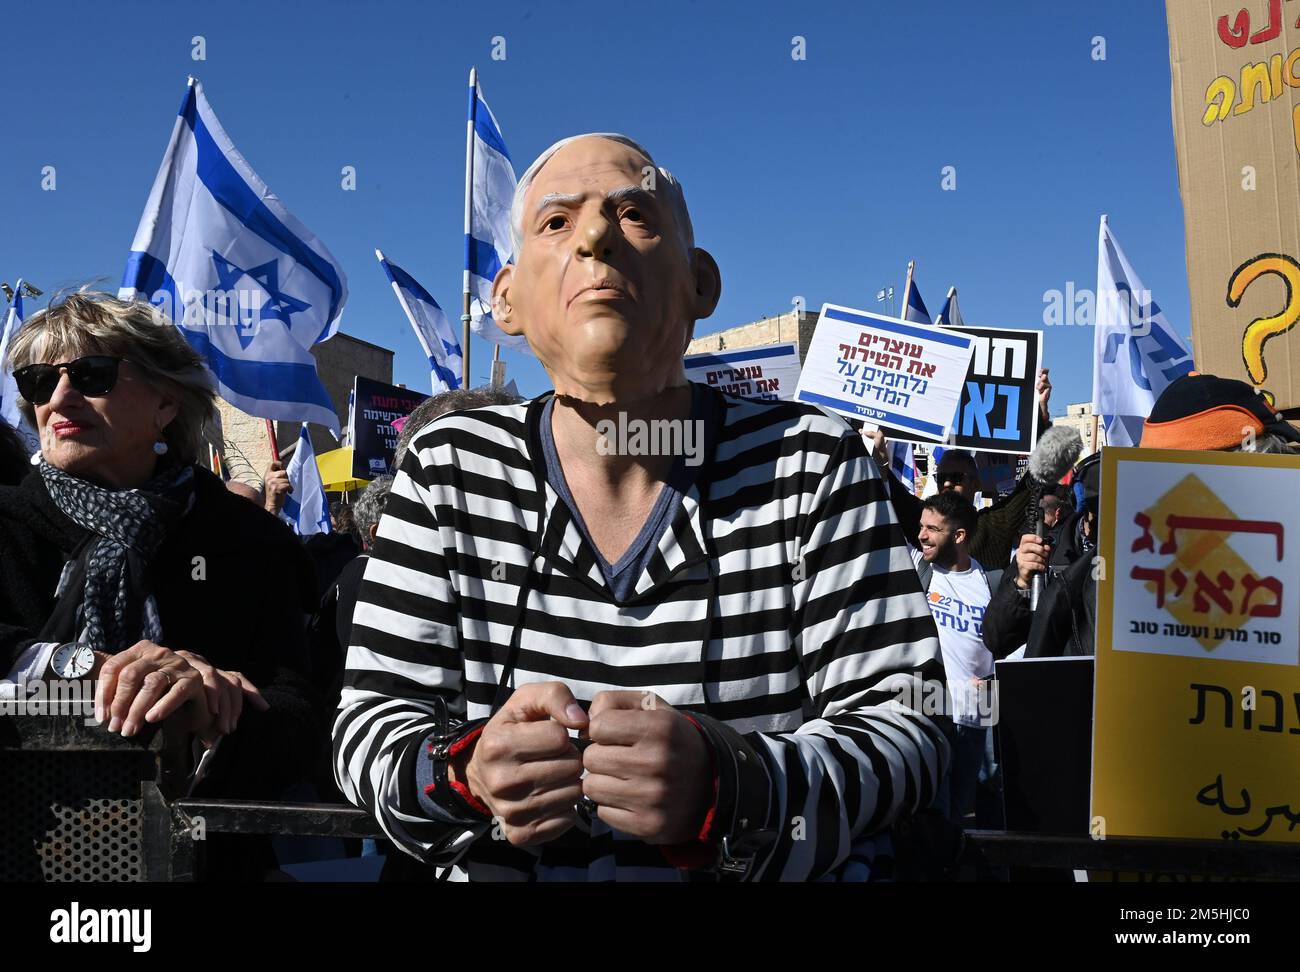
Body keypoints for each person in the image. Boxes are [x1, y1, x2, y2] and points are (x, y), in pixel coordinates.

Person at [333, 133, 949, 881]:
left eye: (634, 214)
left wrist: (732, 785)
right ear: (507, 299)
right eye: (556, 223)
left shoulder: (812, 461)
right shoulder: (448, 467)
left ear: (701, 283)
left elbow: (909, 728)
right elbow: (368, 733)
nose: (595, 237)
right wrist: (466, 771)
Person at [0, 292, 321, 817]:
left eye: (91, 374)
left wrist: (210, 707)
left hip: (199, 851)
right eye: (37, 381)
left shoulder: (251, 541)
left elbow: (299, 723)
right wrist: (84, 666)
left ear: (166, 403)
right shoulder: (6, 522)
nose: (58, 398)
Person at [868, 368, 1051, 569]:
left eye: (956, 478)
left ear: (976, 483)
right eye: (941, 477)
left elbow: (1034, 480)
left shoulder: (994, 525)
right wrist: (879, 457)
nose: (946, 483)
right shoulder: (922, 517)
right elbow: (890, 491)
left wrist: (1040, 418)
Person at [909, 492, 1001, 823]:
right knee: (931, 816)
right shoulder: (917, 571)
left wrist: (993, 682)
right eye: (921, 526)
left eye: (932, 528)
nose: (922, 535)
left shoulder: (991, 582)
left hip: (978, 719)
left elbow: (1009, 648)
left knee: (964, 819)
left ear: (959, 536)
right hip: (926, 713)